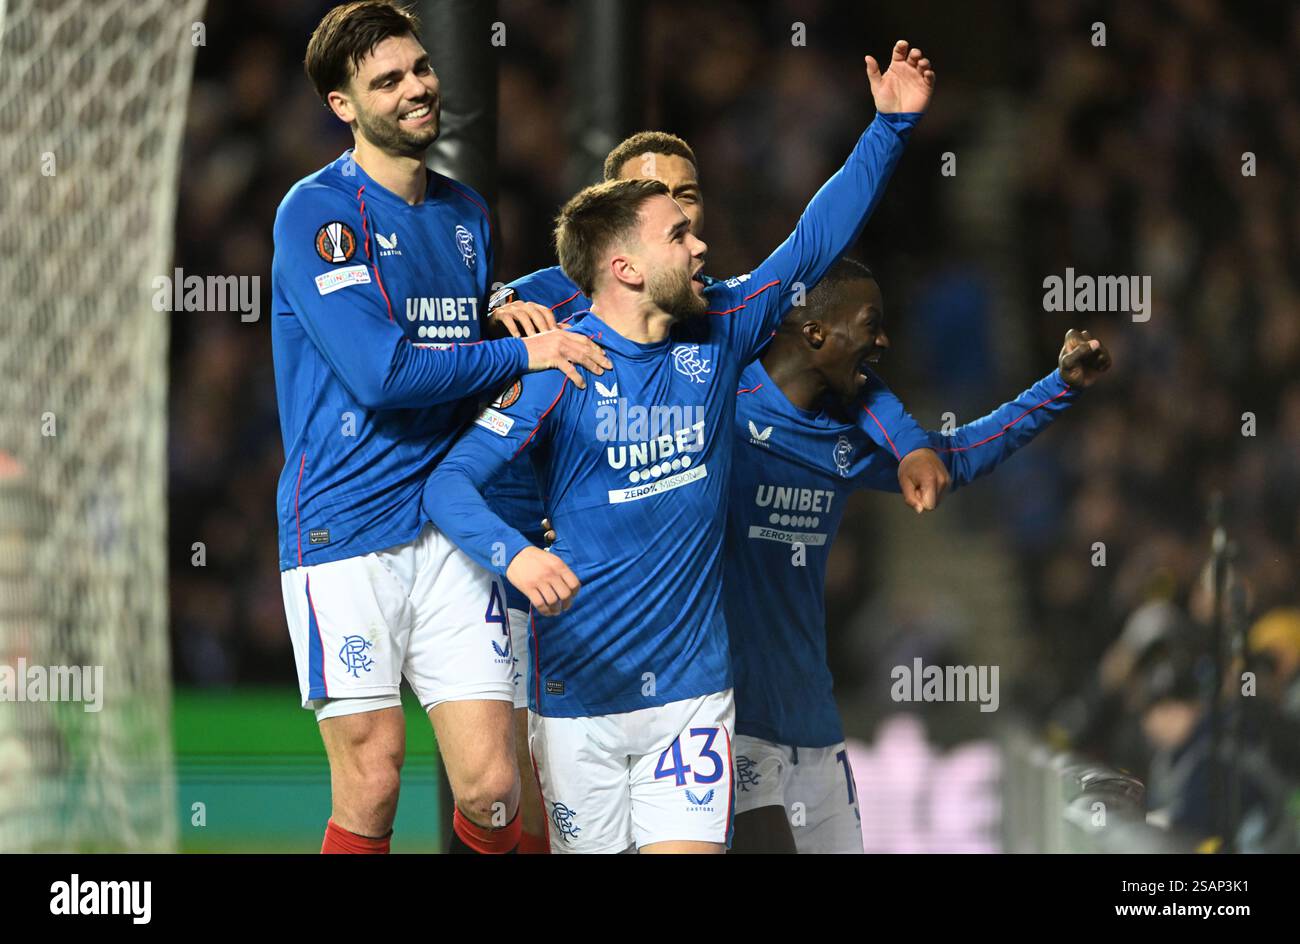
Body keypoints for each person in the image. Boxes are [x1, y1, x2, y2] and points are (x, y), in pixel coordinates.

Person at [425, 41, 937, 853]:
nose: (699, 240)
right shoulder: (561, 363)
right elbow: (449, 487)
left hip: (692, 701)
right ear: (623, 265)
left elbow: (812, 241)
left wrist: (890, 130)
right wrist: (515, 557)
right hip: (577, 696)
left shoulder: (722, 331)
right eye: (676, 230)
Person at [271, 0, 609, 854]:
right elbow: (385, 373)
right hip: (342, 529)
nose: (416, 88)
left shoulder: (465, 214)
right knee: (374, 778)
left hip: (450, 525)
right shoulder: (317, 217)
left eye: (419, 67)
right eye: (387, 81)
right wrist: (521, 358)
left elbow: (451, 344)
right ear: (343, 106)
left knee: (496, 789)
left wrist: (498, 315)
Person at [723, 259, 1112, 852]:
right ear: (816, 332)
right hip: (732, 719)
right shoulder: (718, 407)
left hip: (814, 724)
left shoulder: (841, 439)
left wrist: (1057, 387)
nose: (884, 339)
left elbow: (955, 455)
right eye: (870, 322)